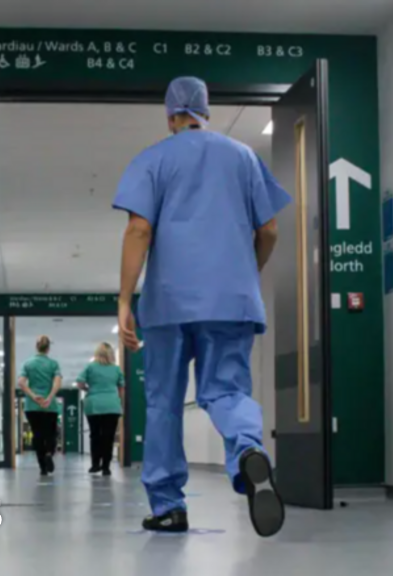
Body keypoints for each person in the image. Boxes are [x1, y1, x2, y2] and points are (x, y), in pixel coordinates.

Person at [112, 76, 291, 537]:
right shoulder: (244, 157)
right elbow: (268, 229)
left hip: (169, 303)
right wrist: (246, 274)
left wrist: (125, 301)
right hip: (231, 299)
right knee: (226, 391)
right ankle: (250, 452)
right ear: (206, 113)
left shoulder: (152, 158)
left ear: (171, 115)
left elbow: (138, 230)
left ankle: (169, 506)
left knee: (164, 403)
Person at [76, 342, 124, 477]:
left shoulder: (90, 367)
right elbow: (121, 388)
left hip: (94, 404)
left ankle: (95, 465)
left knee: (95, 435)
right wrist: (117, 400)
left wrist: (88, 389)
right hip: (112, 405)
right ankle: (106, 468)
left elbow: (80, 383)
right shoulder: (116, 369)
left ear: (97, 353)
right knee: (108, 437)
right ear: (111, 354)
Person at [17, 335, 63, 476]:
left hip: (32, 406)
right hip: (50, 406)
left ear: (36, 347)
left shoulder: (28, 364)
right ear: (48, 348)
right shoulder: (53, 364)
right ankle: (49, 452)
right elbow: (57, 383)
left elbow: (21, 383)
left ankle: (42, 467)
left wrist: (33, 396)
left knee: (37, 434)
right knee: (51, 433)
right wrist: (49, 397)